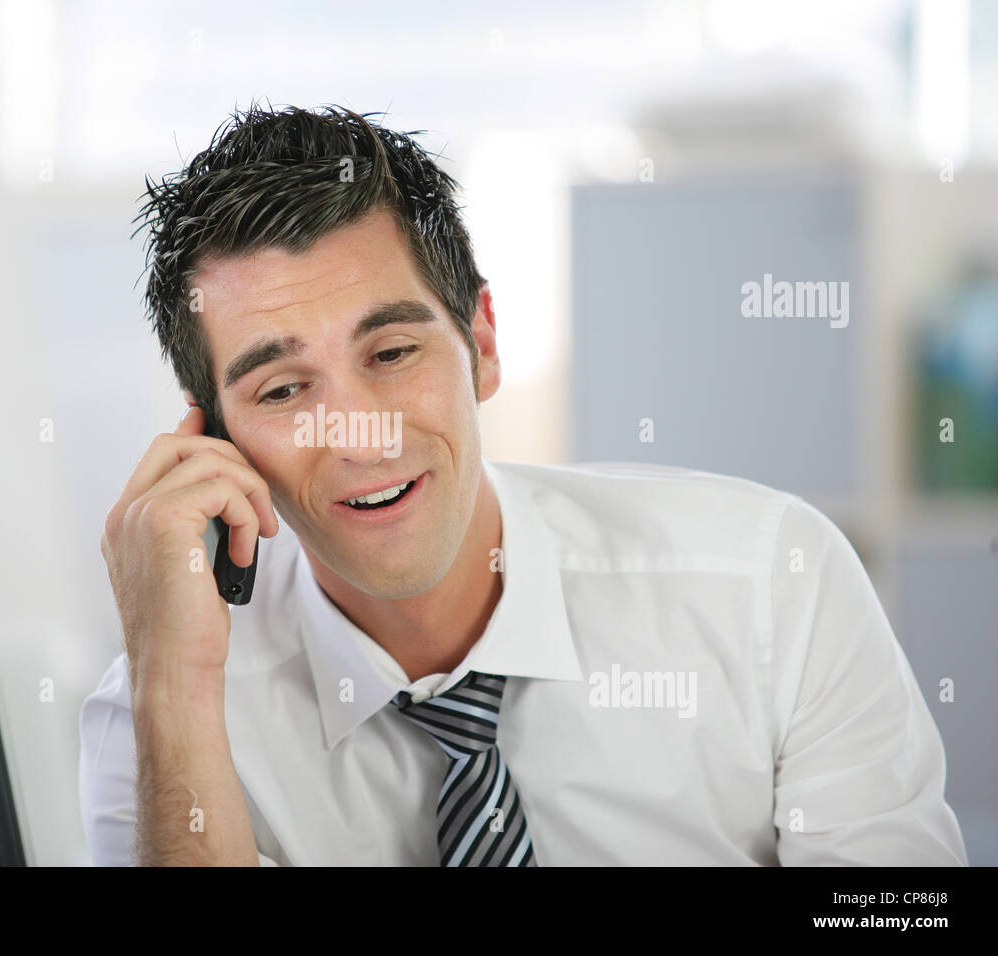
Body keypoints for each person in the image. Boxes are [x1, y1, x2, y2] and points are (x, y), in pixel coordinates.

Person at [79, 103, 967, 866]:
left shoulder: (775, 585)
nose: (362, 435)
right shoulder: (160, 718)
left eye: (392, 353)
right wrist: (177, 689)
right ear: (212, 437)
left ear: (485, 345)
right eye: (282, 390)